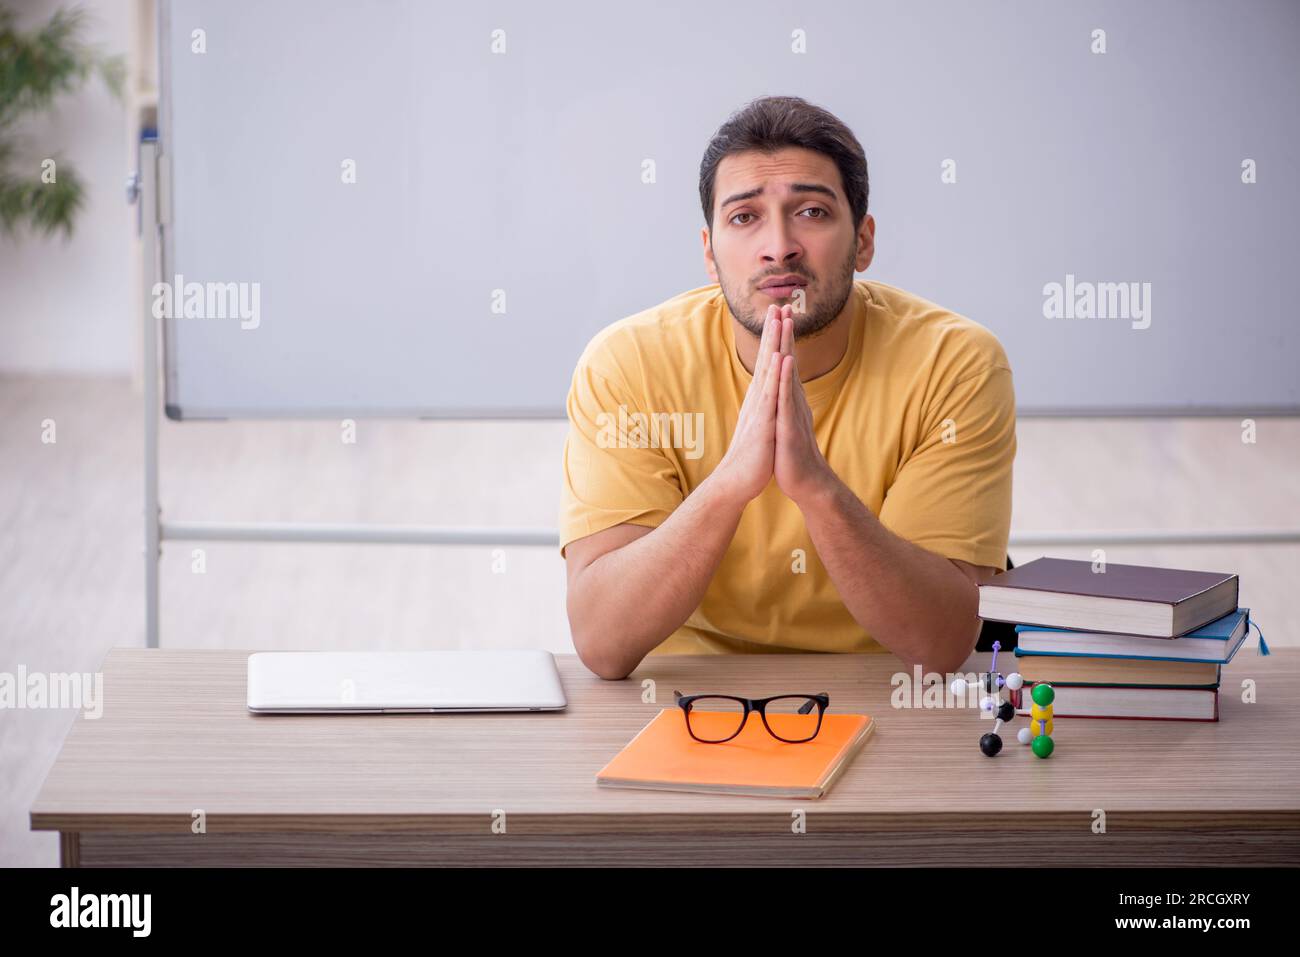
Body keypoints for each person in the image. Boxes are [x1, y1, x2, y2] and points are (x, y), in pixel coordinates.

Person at [560, 95, 1015, 679]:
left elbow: (942, 643)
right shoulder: (626, 366)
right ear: (709, 253)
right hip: (691, 700)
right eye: (744, 217)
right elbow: (602, 641)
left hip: (889, 694)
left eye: (812, 212)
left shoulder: (956, 364)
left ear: (865, 240)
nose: (779, 246)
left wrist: (817, 488)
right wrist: (730, 483)